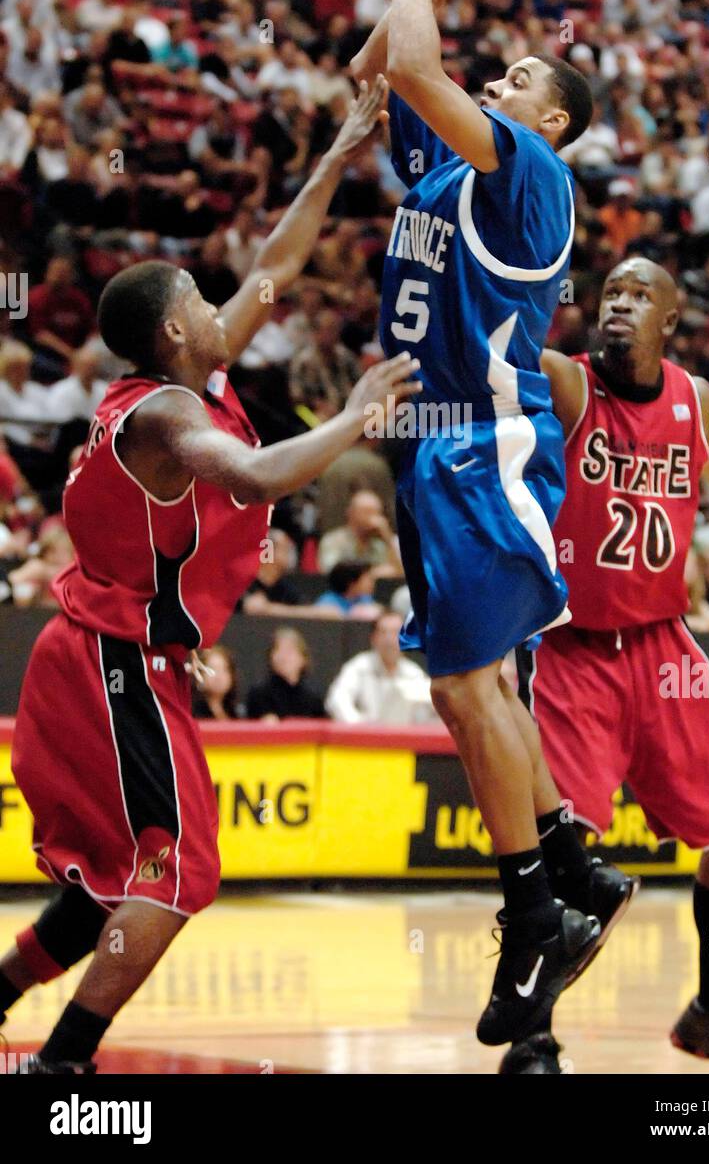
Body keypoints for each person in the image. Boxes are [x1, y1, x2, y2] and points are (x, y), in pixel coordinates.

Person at [0, 78, 421, 1074]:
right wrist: (356, 414)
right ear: (177, 333)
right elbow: (259, 469)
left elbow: (276, 260)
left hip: (105, 656)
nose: (218, 300)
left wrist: (340, 150)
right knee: (177, 871)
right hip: (113, 660)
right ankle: (63, 1064)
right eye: (198, 297)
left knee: (110, 883)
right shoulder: (167, 419)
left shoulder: (184, 380)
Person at [351, 0, 601, 1047]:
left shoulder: (532, 174)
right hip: (425, 449)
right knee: (471, 688)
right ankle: (564, 872)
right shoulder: (445, 164)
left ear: (547, 119)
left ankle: (537, 906)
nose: (492, 83)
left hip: (483, 442)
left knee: (465, 682)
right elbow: (378, 71)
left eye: (513, 80)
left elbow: (413, 60)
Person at [507, 256, 709, 1074]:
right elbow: (500, 350)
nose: (617, 303)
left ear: (671, 317)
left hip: (658, 644)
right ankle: (530, 1036)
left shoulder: (695, 403)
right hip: (570, 645)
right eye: (609, 291)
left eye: (638, 294)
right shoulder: (569, 383)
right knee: (556, 851)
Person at [325, 611, 435, 725]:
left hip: (402, 739)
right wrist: (361, 726)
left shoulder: (414, 674)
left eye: (395, 633)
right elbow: (336, 701)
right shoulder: (358, 667)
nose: (389, 640)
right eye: (383, 632)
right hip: (364, 738)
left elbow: (430, 712)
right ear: (373, 638)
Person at [317, 488, 401, 577]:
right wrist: (372, 574)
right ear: (351, 513)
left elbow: (401, 572)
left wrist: (388, 538)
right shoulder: (333, 540)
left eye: (377, 513)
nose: (374, 518)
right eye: (368, 512)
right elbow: (331, 572)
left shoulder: (379, 545)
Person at [246, 628, 323, 720]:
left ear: (303, 659)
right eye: (278, 650)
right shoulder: (260, 693)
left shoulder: (313, 695)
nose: (283, 657)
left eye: (290, 651)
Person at [190, 645, 241, 720]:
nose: (218, 677)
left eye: (224, 670)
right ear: (200, 674)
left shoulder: (234, 712)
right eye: (212, 669)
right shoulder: (192, 712)